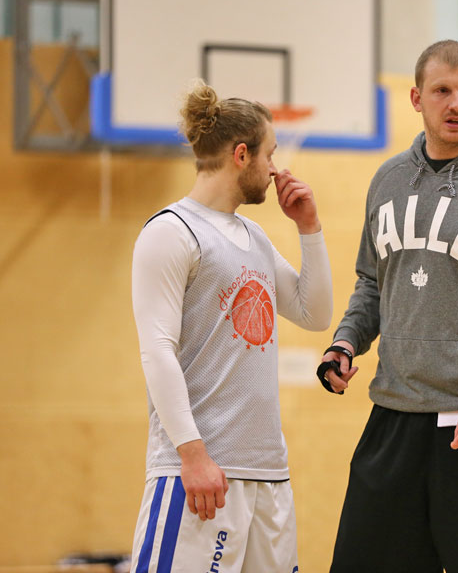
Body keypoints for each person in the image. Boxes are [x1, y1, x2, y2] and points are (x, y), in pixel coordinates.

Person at [316, 40, 458, 573]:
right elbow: (372, 283)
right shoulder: (389, 180)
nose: (456, 103)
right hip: (395, 417)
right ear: (416, 98)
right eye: (443, 91)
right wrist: (346, 341)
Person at [128, 81, 332, 572]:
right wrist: (192, 455)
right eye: (270, 155)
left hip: (268, 476)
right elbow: (157, 350)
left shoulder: (254, 236)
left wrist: (309, 227)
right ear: (242, 155)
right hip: (199, 473)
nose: (276, 169)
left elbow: (315, 312)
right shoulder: (170, 232)